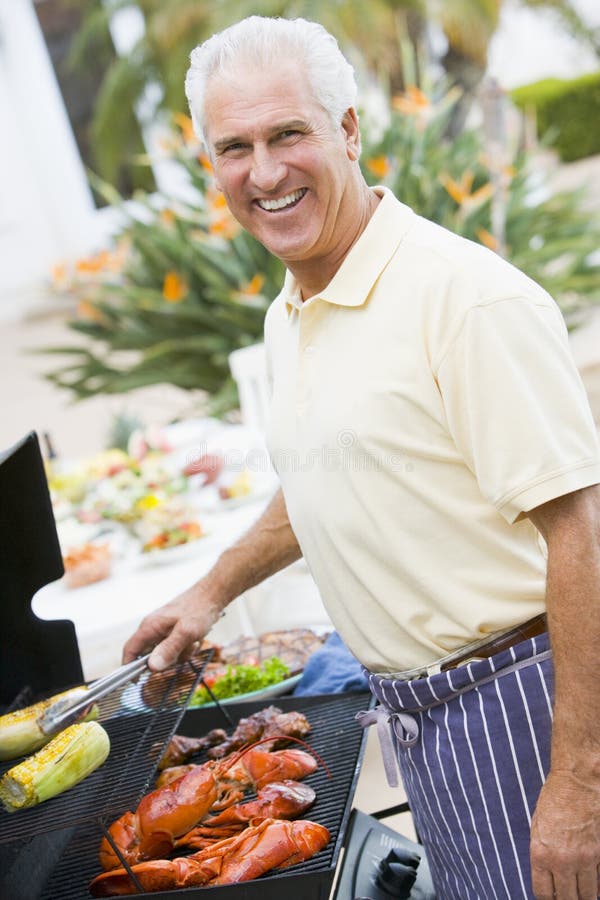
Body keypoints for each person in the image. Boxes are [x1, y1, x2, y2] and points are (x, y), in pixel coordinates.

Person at [123, 16, 600, 900]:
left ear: (348, 130)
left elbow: (585, 537)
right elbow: (326, 472)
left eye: (287, 133)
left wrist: (580, 783)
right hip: (423, 726)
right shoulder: (288, 312)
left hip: (528, 714)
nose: (263, 172)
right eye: (235, 147)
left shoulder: (464, 299)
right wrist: (210, 590)